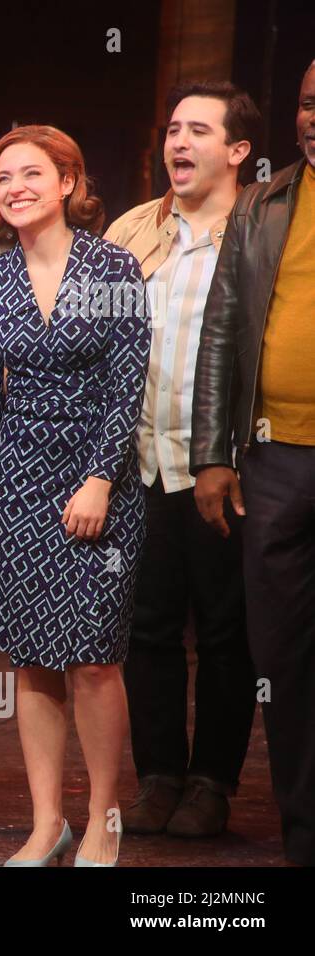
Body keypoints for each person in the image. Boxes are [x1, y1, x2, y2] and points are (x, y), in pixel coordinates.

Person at [0, 125, 150, 867]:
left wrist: (99, 478)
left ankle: (103, 816)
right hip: (16, 479)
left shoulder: (112, 267)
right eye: (3, 176)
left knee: (93, 658)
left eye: (32, 173)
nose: (14, 186)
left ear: (68, 182)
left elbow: (128, 386)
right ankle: (45, 824)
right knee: (30, 657)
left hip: (99, 479)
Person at [105, 82, 261, 838]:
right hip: (139, 462)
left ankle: (212, 783)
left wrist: (225, 455)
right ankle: (159, 775)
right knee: (147, 628)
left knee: (227, 631)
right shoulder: (135, 228)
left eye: (198, 130)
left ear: (237, 150)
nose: (178, 142)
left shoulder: (262, 229)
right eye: (171, 129)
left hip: (222, 467)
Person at [192, 60, 315, 867]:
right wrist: (212, 455)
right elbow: (221, 331)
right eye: (307, 102)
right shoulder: (267, 204)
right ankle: (305, 838)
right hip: (274, 462)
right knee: (288, 660)